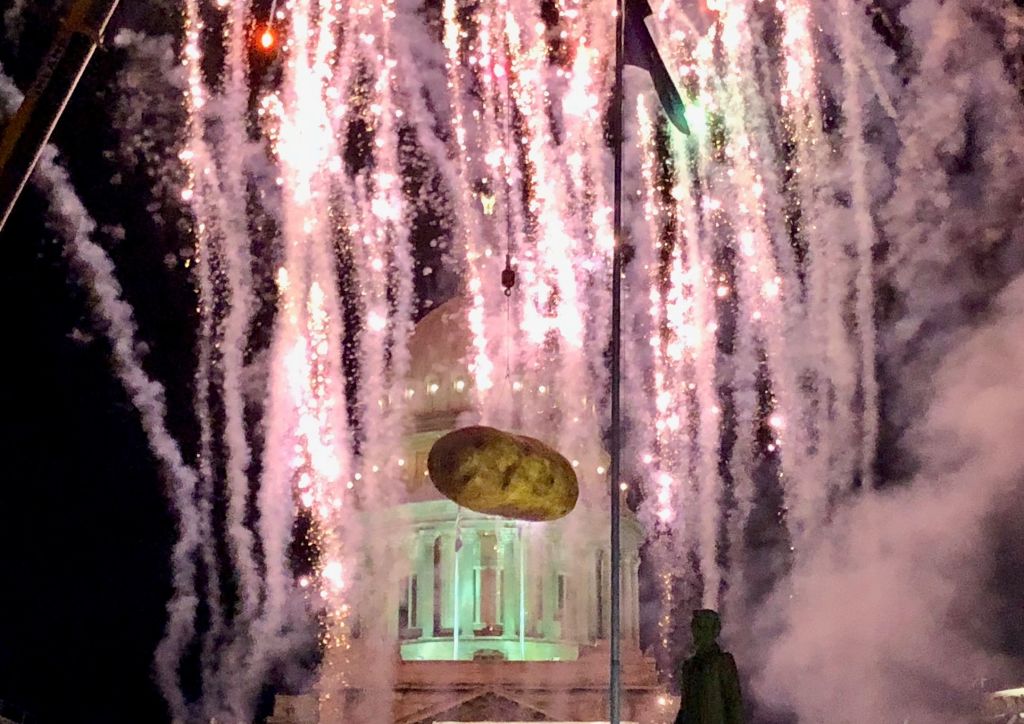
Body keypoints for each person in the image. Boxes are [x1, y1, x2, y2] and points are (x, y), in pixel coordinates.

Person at [674, 609, 744, 724]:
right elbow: (685, 708)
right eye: (695, 627)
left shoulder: (723, 662)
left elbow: (734, 704)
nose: (697, 632)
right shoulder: (689, 666)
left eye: (702, 628)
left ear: (714, 632)